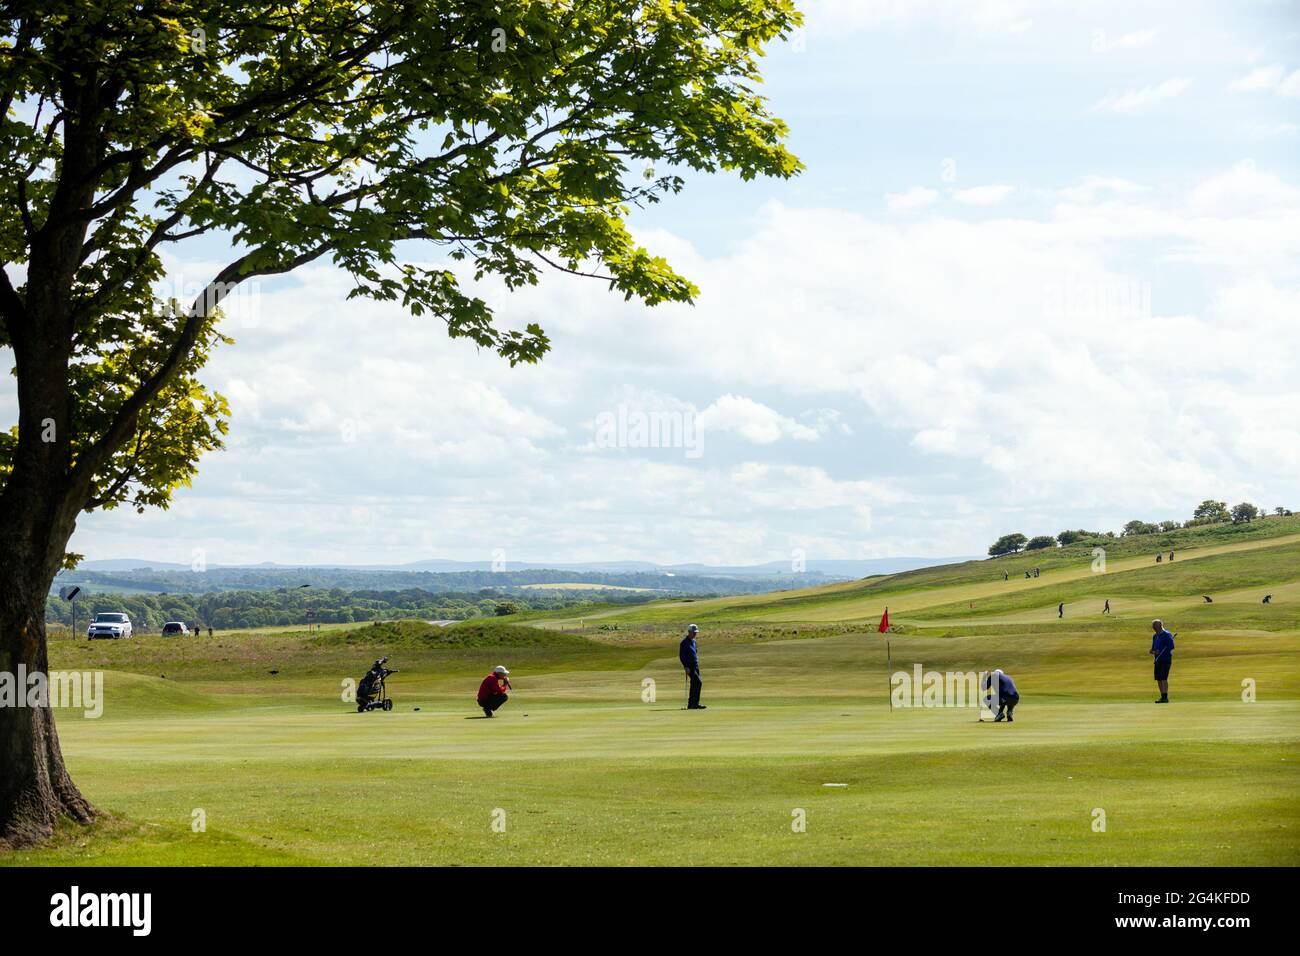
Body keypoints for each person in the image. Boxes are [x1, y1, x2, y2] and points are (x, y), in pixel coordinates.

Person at [679, 623, 705, 710]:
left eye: (696, 632)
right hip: (689, 667)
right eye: (693, 632)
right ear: (689, 632)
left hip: (695, 666)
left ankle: (691, 704)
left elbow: (695, 652)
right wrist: (686, 666)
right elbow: (682, 656)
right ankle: (695, 703)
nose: (695, 634)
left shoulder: (694, 642)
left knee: (694, 684)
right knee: (698, 682)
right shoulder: (684, 643)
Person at [1150, 620, 1174, 703]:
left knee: (1164, 678)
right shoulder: (1155, 636)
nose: (1153, 628)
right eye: (1153, 626)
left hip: (1165, 659)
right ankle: (1162, 696)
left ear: (1160, 625)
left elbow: (1171, 646)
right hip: (1157, 660)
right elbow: (1153, 648)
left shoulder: (1167, 635)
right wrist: (1153, 651)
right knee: (1159, 679)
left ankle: (1165, 697)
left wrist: (1160, 651)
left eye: (1155, 626)